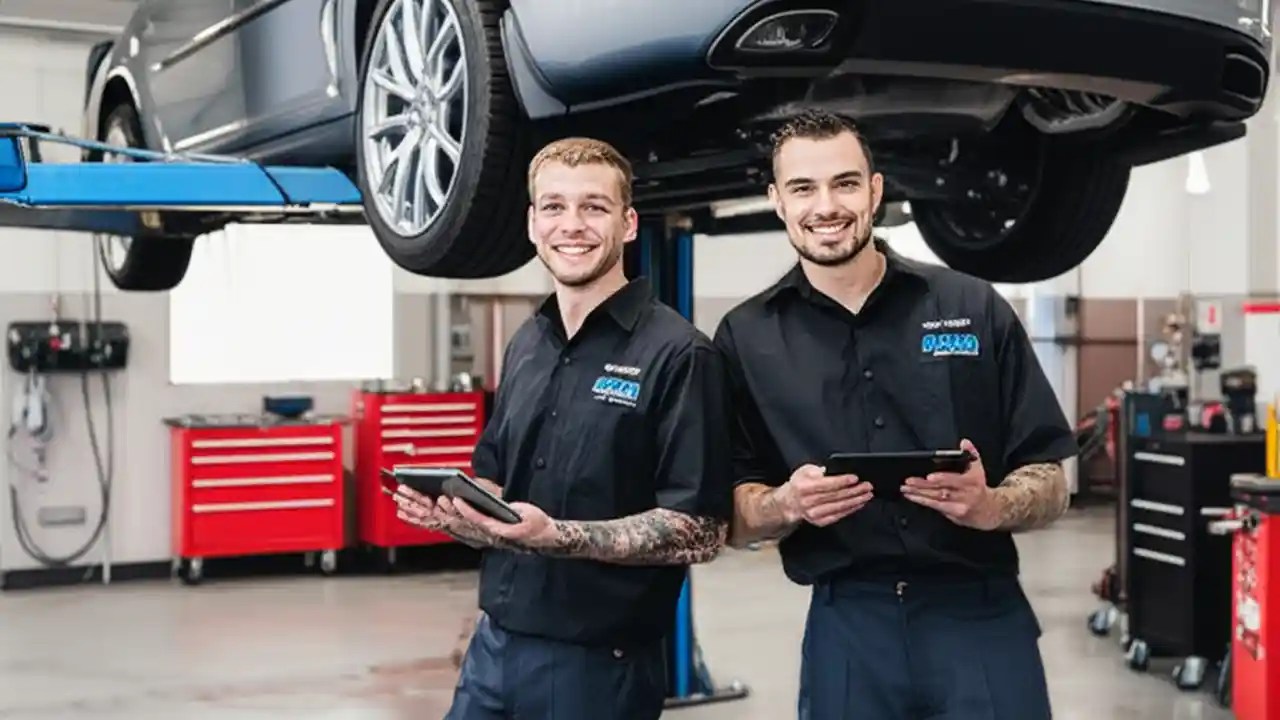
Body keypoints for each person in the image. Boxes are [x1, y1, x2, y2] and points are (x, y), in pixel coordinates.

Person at [713, 109, 1077, 719]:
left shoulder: (971, 306)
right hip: (849, 626)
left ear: (876, 191)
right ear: (776, 201)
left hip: (980, 616)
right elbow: (729, 512)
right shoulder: (745, 337)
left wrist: (992, 505)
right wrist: (786, 505)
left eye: (846, 183)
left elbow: (1051, 480)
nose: (826, 204)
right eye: (803, 187)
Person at [392, 136, 734, 720]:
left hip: (601, 668)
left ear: (628, 224)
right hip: (493, 649)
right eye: (554, 206)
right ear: (532, 223)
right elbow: (500, 489)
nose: (571, 225)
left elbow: (701, 530)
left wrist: (560, 536)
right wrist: (460, 517)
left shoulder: (679, 354)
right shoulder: (528, 343)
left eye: (593, 207)